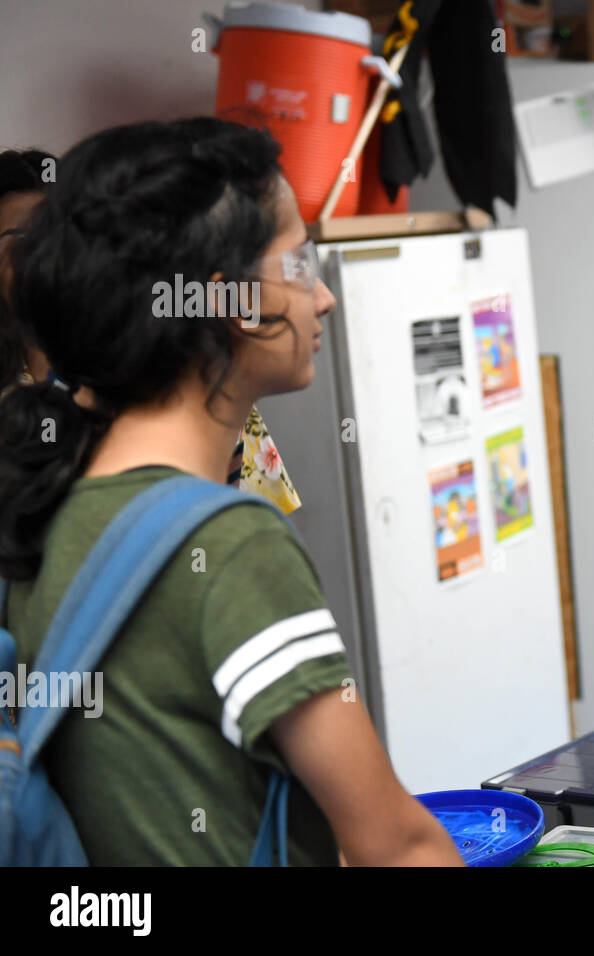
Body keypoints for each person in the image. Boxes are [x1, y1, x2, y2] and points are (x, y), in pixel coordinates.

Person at [0, 118, 464, 865]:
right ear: (231, 305)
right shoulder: (227, 545)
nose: (323, 299)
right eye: (298, 264)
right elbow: (397, 848)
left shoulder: (43, 499)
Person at [0, 148, 302, 512]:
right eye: (22, 242)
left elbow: (256, 534)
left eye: (63, 237)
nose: (49, 257)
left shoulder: (187, 381)